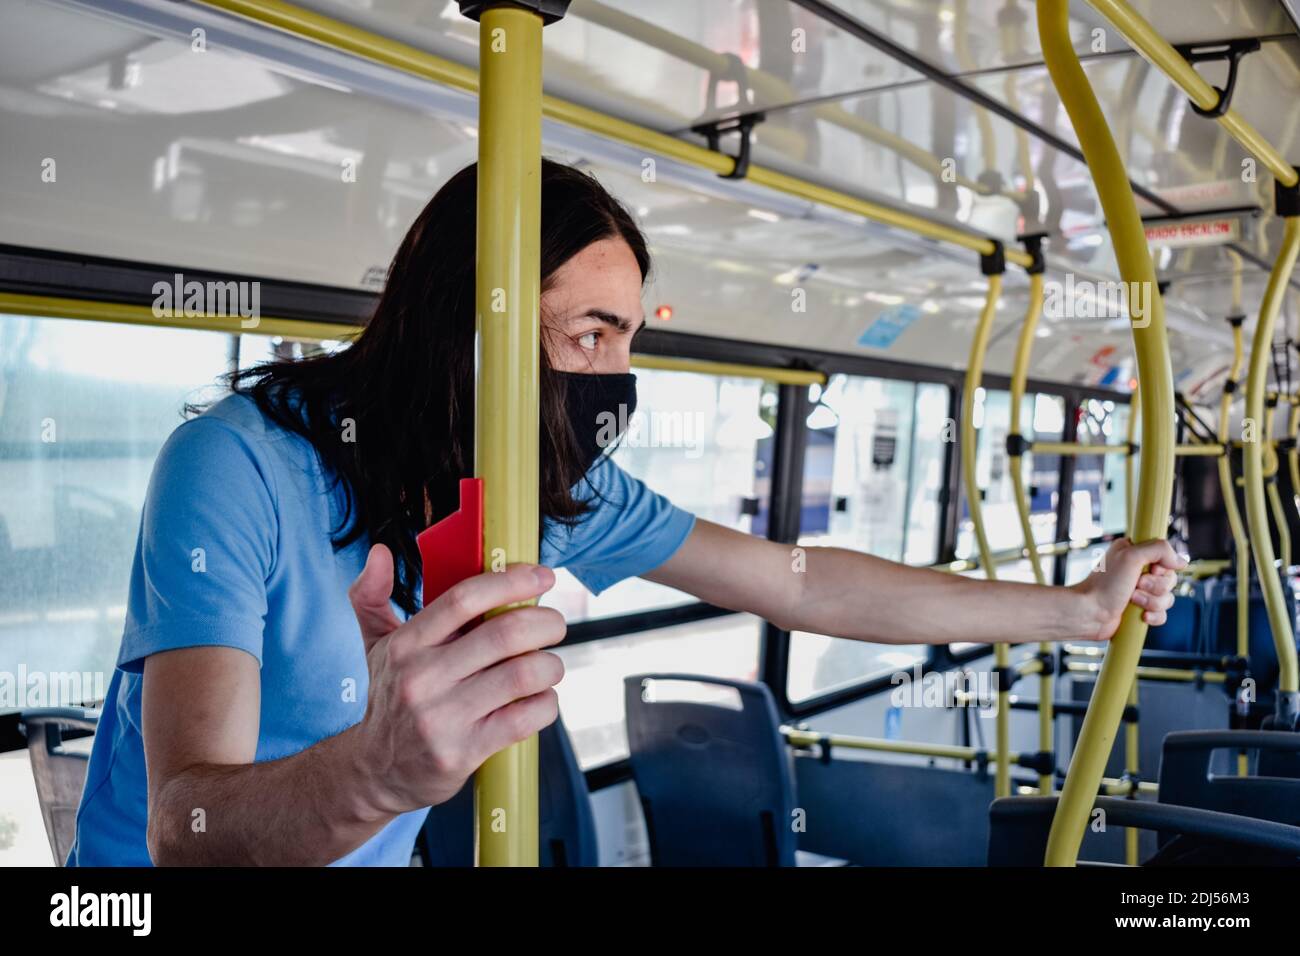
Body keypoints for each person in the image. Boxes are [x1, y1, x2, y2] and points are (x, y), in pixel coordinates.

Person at [67, 160, 1182, 866]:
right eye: (590, 333)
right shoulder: (237, 466)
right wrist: (376, 770)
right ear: (471, 326)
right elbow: (186, 825)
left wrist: (1073, 612)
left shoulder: (551, 491)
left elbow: (802, 581)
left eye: (631, 339)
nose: (616, 375)